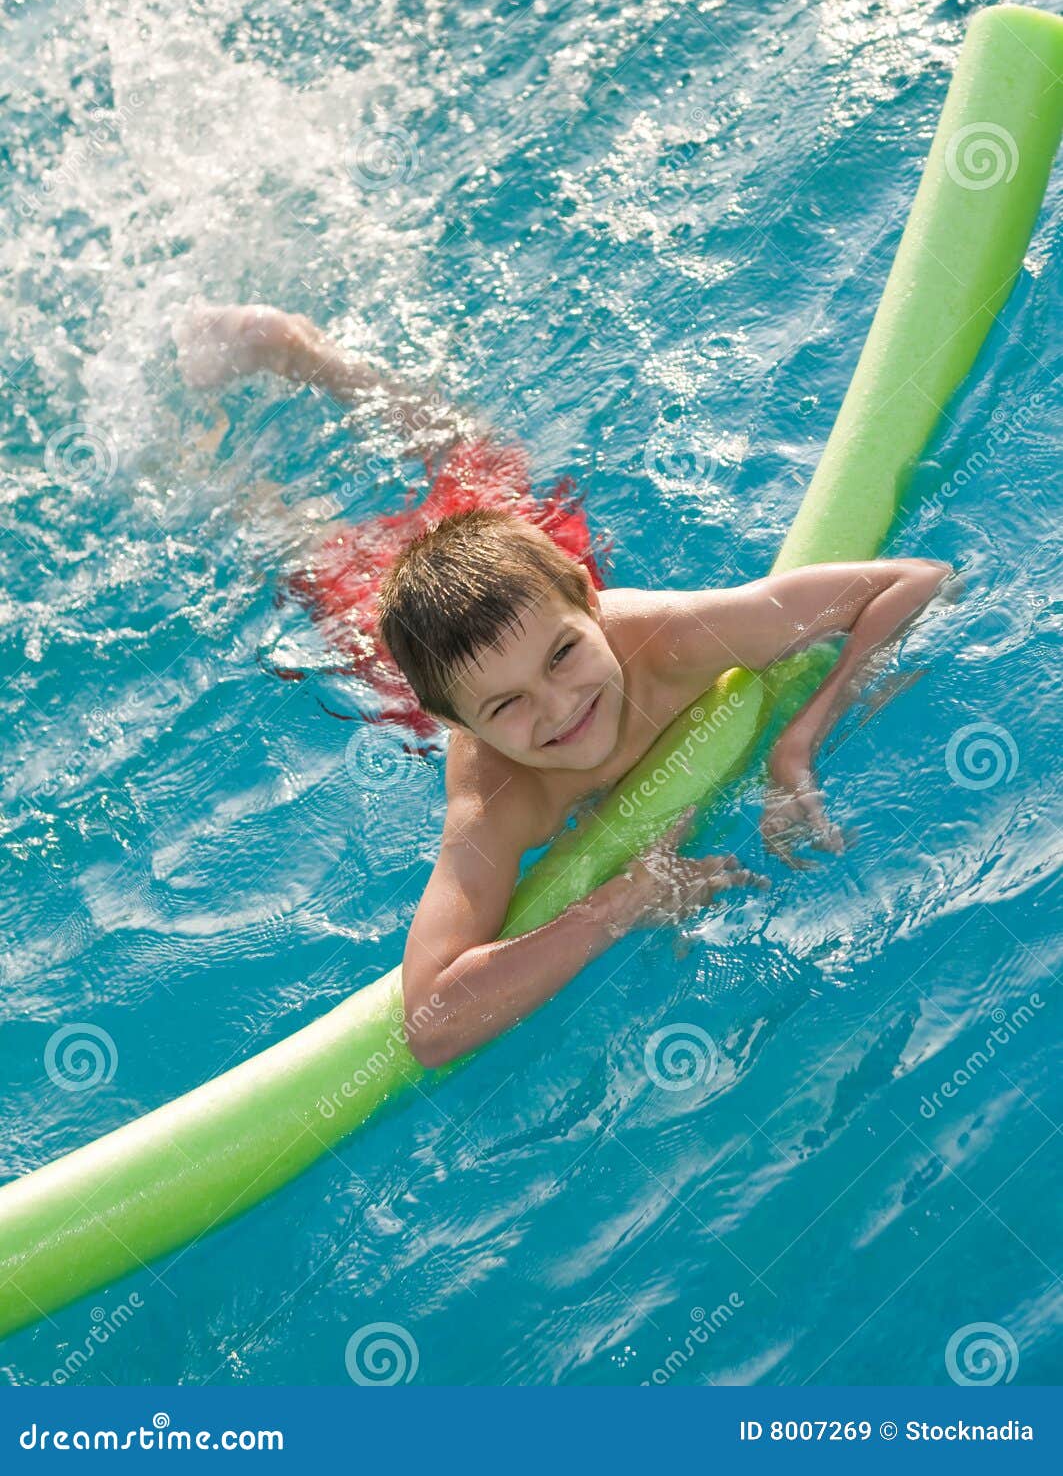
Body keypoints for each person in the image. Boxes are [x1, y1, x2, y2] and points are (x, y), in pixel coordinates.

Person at [175, 301, 953, 1070]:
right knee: (311, 558)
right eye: (507, 707)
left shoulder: (668, 638)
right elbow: (433, 1023)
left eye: (562, 659)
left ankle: (313, 357)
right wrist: (620, 902)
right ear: (456, 723)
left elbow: (914, 581)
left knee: (465, 455)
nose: (558, 709)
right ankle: (195, 459)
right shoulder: (497, 798)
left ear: (590, 604)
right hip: (441, 646)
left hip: (511, 583)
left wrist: (801, 737)